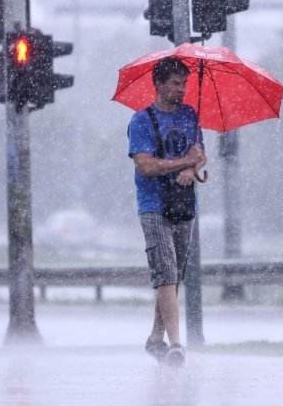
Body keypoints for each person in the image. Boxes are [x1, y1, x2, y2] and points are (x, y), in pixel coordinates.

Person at [127, 57, 207, 366]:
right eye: (175, 83)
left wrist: (192, 168)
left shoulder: (190, 115)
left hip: (184, 204)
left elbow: (200, 155)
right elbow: (145, 166)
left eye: (184, 83)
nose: (181, 89)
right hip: (153, 206)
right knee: (165, 271)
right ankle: (176, 344)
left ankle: (154, 337)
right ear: (158, 84)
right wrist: (183, 163)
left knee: (174, 276)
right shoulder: (141, 121)